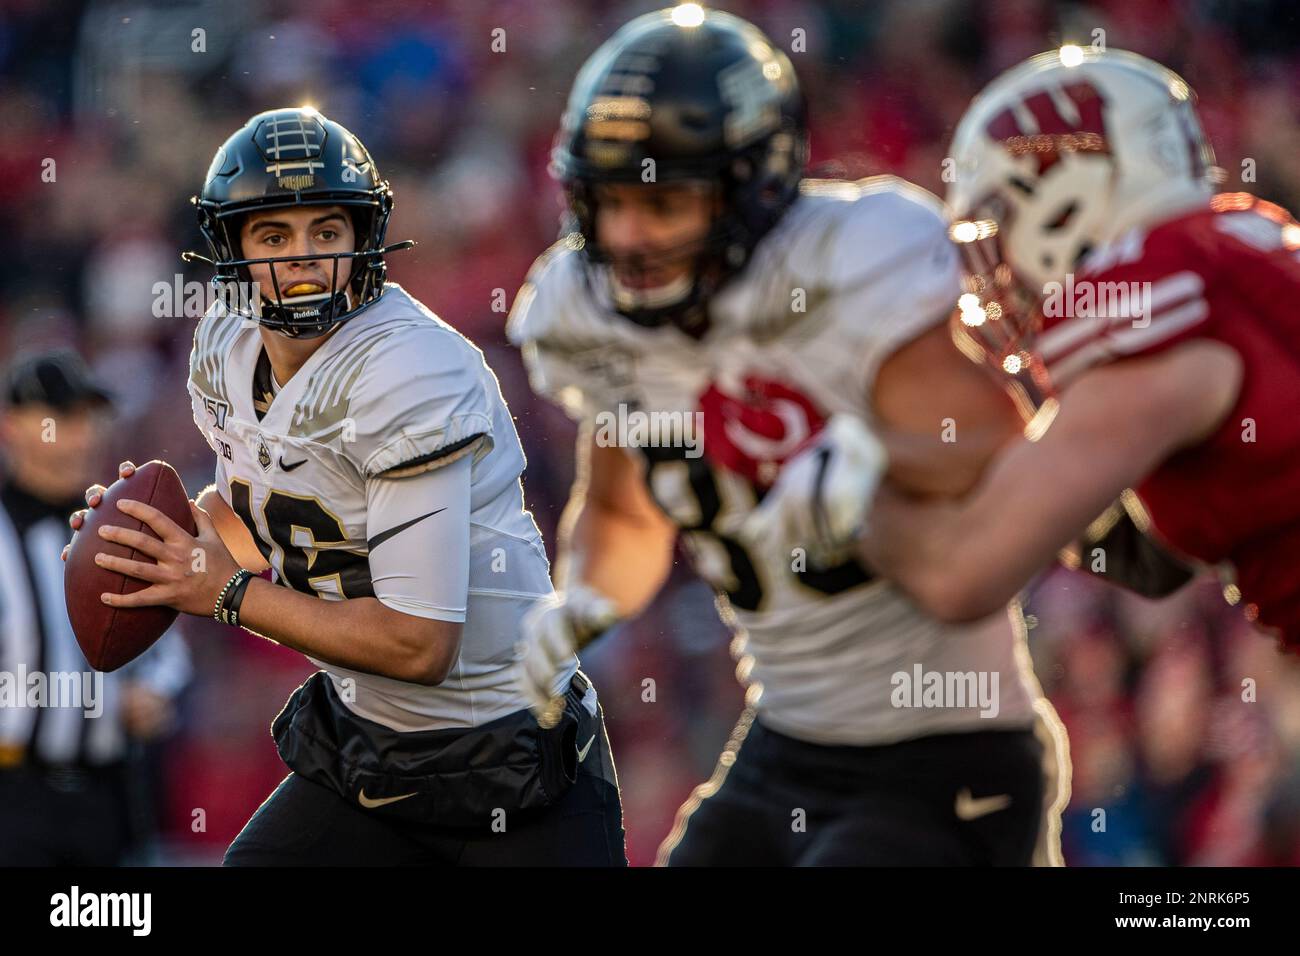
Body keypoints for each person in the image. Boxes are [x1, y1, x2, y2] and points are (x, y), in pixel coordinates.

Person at [508, 6, 1069, 866]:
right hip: (783, 742)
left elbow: (1006, 450)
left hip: (949, 751)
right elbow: (625, 515)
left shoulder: (850, 262)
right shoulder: (587, 314)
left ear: (750, 186)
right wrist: (584, 596)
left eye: (661, 202)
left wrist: (878, 457)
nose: (627, 235)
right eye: (610, 200)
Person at [67, 108, 624, 866]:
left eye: (326, 233)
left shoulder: (410, 370)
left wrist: (226, 593)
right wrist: (163, 551)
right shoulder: (225, 343)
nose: (304, 260)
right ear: (230, 249)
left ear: (365, 237)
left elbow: (419, 642)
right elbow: (272, 519)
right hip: (368, 754)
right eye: (274, 237)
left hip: (514, 766)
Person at [852, 48, 1300, 654]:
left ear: (1070, 196)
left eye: (1002, 219)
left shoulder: (1155, 301)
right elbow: (1138, 553)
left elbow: (959, 574)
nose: (999, 267)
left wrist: (840, 493)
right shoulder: (1250, 245)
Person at [2, 349, 190, 865]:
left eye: (87, 418)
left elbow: (168, 647)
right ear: (12, 426)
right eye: (59, 419)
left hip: (109, 796)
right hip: (13, 794)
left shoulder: (117, 529)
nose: (81, 436)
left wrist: (156, 692)